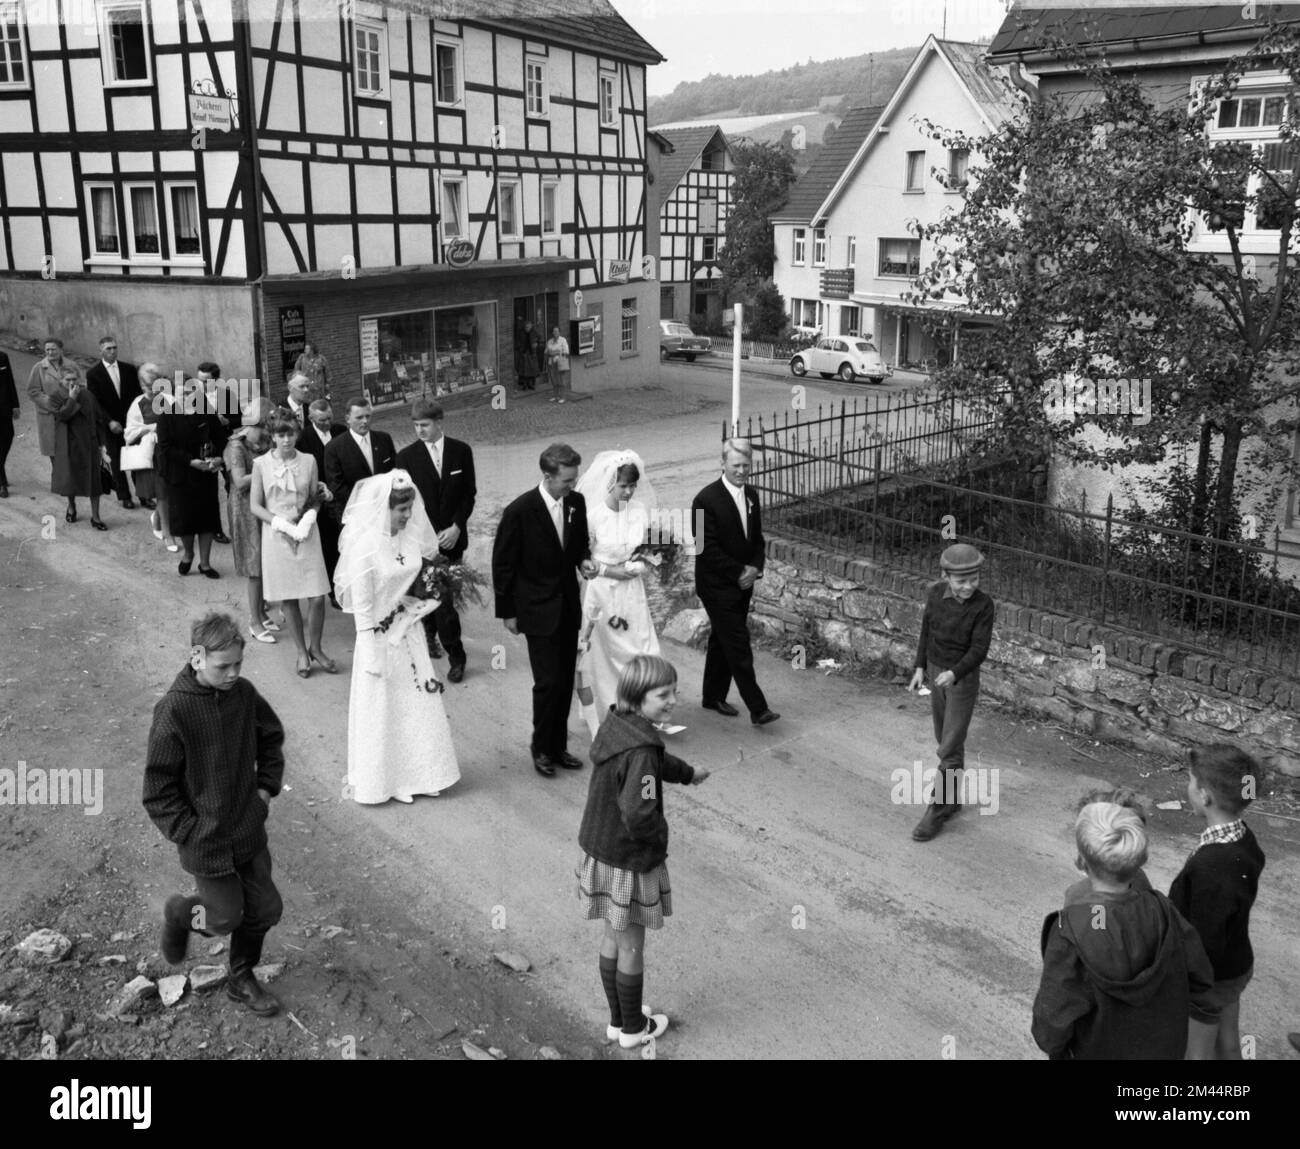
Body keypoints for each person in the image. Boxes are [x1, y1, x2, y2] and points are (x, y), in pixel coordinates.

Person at [143, 612, 286, 1017]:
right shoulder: (174, 711)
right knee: (223, 916)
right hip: (206, 843)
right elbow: (158, 789)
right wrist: (190, 831)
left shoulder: (244, 695)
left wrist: (264, 791)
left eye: (239, 663)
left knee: (266, 909)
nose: (233, 673)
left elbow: (271, 739)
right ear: (197, 657)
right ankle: (178, 912)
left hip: (248, 827)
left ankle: (241, 979)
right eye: (224, 665)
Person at [577, 655, 709, 1049]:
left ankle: (619, 1021)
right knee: (632, 944)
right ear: (638, 696)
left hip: (599, 851)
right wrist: (659, 841)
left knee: (612, 938)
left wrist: (687, 773)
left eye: (674, 691)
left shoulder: (617, 725)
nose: (672, 700)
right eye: (663, 694)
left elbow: (653, 762)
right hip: (628, 860)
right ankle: (634, 1030)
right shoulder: (644, 751)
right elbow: (640, 808)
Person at [1031, 802, 1219, 1059]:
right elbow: (1201, 976)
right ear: (1139, 862)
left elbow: (1052, 1022)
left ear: (1081, 861)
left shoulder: (1070, 933)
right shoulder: (1163, 909)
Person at [335, 470, 461, 803]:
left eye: (410, 508)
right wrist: (372, 651)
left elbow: (418, 576)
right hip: (379, 637)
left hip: (410, 632)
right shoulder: (364, 548)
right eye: (401, 510)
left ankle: (421, 773)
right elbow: (362, 609)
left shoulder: (410, 539)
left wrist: (429, 596)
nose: (408, 516)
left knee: (417, 702)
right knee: (385, 707)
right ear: (383, 509)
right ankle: (387, 780)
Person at [492, 442, 596, 777]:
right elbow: (503, 565)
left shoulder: (576, 503)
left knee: (565, 680)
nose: (573, 485)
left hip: (567, 606)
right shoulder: (519, 511)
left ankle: (559, 746)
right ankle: (541, 749)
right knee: (547, 682)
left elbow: (580, 544)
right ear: (547, 476)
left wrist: (584, 562)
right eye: (567, 480)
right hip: (536, 609)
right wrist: (508, 612)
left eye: (574, 479)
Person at [1169, 745, 1266, 1061]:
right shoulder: (1243, 838)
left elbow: (1206, 939)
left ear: (1205, 796)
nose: (1188, 788)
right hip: (1236, 966)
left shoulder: (1213, 865)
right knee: (1228, 1040)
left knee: (1197, 1052)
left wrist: (1188, 980)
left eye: (1191, 782)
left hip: (1209, 977)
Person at [907, 542, 995, 842]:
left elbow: (980, 649)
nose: (969, 586)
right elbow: (926, 630)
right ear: (945, 576)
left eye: (975, 579)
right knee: (945, 741)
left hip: (961, 679)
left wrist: (955, 672)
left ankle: (937, 809)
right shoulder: (935, 594)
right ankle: (952, 799)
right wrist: (920, 667)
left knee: (948, 747)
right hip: (935, 671)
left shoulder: (984, 606)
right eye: (962, 581)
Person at [574, 450, 662, 737]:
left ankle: (643, 708)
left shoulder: (639, 510)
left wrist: (643, 563)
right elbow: (584, 564)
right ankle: (612, 710)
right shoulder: (593, 516)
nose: (628, 491)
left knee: (643, 647)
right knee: (606, 654)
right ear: (610, 483)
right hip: (602, 591)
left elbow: (647, 549)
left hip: (632, 591)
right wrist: (612, 572)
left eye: (632, 486)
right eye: (623, 485)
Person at [693, 438, 779, 728]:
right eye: (736, 465)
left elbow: (757, 539)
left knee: (722, 638)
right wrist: (738, 571)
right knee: (738, 643)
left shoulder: (752, 495)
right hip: (717, 586)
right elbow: (705, 549)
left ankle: (712, 696)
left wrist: (755, 568)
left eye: (747, 465)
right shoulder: (704, 500)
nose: (742, 471)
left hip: (744, 582)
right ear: (722, 464)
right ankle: (758, 708)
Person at [395, 399, 477, 682]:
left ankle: (456, 656)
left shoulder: (461, 451)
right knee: (432, 597)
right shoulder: (406, 458)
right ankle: (434, 639)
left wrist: (456, 525)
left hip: (452, 540)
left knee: (446, 601)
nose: (420, 430)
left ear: (439, 422)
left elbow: (469, 493)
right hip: (422, 542)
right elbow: (404, 502)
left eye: (425, 425)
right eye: (416, 425)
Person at [251, 414, 335, 677]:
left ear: (297, 434)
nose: (286, 440)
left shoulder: (309, 461)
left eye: (290, 434)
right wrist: (282, 525)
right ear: (272, 436)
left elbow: (314, 497)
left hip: (307, 532)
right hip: (278, 536)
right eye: (280, 435)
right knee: (289, 597)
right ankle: (301, 652)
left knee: (318, 597)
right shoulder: (261, 464)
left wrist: (308, 519)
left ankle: (316, 648)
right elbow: (255, 505)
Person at [156, 374, 227, 577]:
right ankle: (188, 554)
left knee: (207, 520)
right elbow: (165, 447)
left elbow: (221, 439)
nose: (187, 394)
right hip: (181, 475)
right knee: (185, 521)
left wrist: (217, 459)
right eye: (183, 391)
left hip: (205, 474)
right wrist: (190, 461)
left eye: (191, 391)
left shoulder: (206, 412)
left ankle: (205, 563)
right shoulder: (167, 415)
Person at [225, 400, 278, 643]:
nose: (270, 432)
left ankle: (262, 612)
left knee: (265, 562)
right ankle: (254, 622)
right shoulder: (236, 446)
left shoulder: (264, 442)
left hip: (262, 505)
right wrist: (267, 467)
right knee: (254, 567)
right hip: (245, 510)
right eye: (268, 425)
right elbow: (239, 481)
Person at [296, 399, 347, 600]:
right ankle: (333, 590)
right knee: (328, 545)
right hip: (321, 501)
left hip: (341, 497)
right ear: (310, 418)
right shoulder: (303, 439)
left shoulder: (341, 430)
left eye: (329, 419)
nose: (327, 423)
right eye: (321, 420)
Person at [124, 363, 178, 552]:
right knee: (162, 494)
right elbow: (129, 433)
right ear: (141, 385)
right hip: (154, 455)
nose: (152, 390)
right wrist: (150, 429)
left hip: (171, 452)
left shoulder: (170, 400)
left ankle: (157, 518)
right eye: (147, 386)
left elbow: (180, 422)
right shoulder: (138, 405)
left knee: (171, 493)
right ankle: (168, 534)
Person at [85, 335, 142, 510]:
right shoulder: (94, 374)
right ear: (100, 351)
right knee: (117, 462)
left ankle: (144, 495)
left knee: (137, 461)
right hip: (110, 426)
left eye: (114, 347)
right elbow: (96, 402)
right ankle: (124, 496)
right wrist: (109, 422)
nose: (112, 351)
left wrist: (137, 419)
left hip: (131, 423)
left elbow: (137, 396)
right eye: (108, 348)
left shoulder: (129, 369)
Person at [51, 366, 109, 529]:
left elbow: (98, 418)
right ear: (61, 381)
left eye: (74, 379)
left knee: (94, 482)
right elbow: (62, 416)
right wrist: (71, 399)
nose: (71, 382)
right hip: (68, 444)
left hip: (89, 443)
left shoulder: (88, 395)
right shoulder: (55, 397)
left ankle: (96, 517)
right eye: (67, 379)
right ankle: (71, 506)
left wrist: (102, 443)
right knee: (70, 479)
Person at [324, 398, 396, 516]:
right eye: (359, 417)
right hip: (356, 512)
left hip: (386, 508)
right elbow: (337, 486)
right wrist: (364, 506)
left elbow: (394, 472)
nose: (365, 421)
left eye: (368, 416)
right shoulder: (334, 448)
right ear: (347, 419)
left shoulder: (384, 439)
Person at [27, 337, 83, 477]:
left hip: (70, 410)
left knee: (71, 443)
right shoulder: (39, 367)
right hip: (49, 414)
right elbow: (33, 391)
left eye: (53, 349)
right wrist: (52, 403)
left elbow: (81, 384)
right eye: (47, 350)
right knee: (53, 447)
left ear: (60, 349)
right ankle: (58, 475)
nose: (50, 352)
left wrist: (72, 397)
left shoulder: (72, 365)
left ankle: (73, 475)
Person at [197, 362, 233, 544]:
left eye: (206, 381)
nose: (202, 384)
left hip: (225, 446)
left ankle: (236, 526)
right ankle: (215, 530)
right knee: (209, 492)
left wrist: (226, 421)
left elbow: (238, 419)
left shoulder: (226, 395)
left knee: (231, 486)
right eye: (199, 380)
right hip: (204, 449)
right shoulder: (193, 398)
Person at [0, 349, 20, 498]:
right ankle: (2, 484)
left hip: (4, 407)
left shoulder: (2, 356)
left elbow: (10, 381)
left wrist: (15, 405)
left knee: (9, 436)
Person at [544, 325, 570, 403]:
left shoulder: (563, 340)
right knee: (554, 380)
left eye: (557, 331)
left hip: (560, 363)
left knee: (561, 380)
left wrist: (555, 352)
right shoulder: (549, 341)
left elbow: (566, 352)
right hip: (551, 363)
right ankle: (556, 396)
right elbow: (546, 352)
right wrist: (552, 353)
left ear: (559, 332)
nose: (555, 332)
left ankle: (563, 397)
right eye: (554, 331)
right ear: (552, 332)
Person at [515, 320, 541, 391]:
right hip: (524, 353)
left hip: (532, 353)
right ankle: (524, 385)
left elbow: (539, 338)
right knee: (524, 370)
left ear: (531, 326)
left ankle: (531, 385)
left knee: (532, 370)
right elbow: (517, 341)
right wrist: (520, 349)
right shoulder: (521, 332)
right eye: (526, 327)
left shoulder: (534, 332)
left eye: (528, 327)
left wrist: (537, 343)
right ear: (524, 327)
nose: (527, 328)